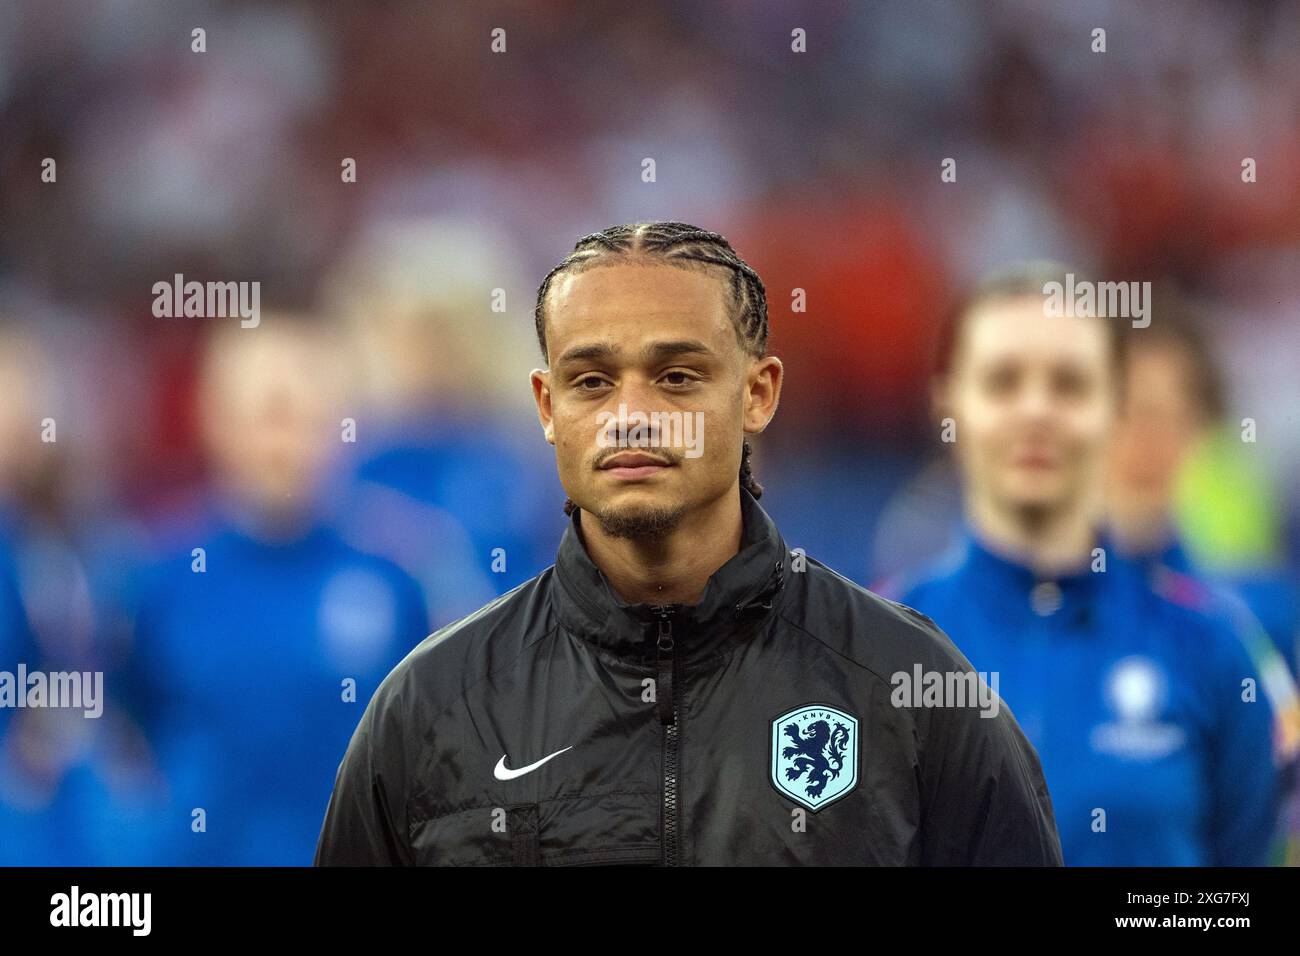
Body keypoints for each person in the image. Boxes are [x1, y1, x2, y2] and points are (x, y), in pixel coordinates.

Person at [315, 221, 1062, 866]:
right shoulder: (431, 707)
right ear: (546, 406)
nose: (632, 415)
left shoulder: (908, 687)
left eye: (676, 376)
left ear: (758, 394)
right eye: (592, 382)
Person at [880, 264, 1282, 865]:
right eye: (1003, 381)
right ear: (949, 400)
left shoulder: (1214, 647)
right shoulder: (871, 646)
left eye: (1069, 383)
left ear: (1116, 406)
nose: (1037, 409)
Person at [129, 314, 427, 864]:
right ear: (214, 419)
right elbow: (135, 730)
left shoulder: (396, 573)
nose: (282, 443)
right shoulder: (160, 573)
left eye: (304, 417)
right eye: (265, 416)